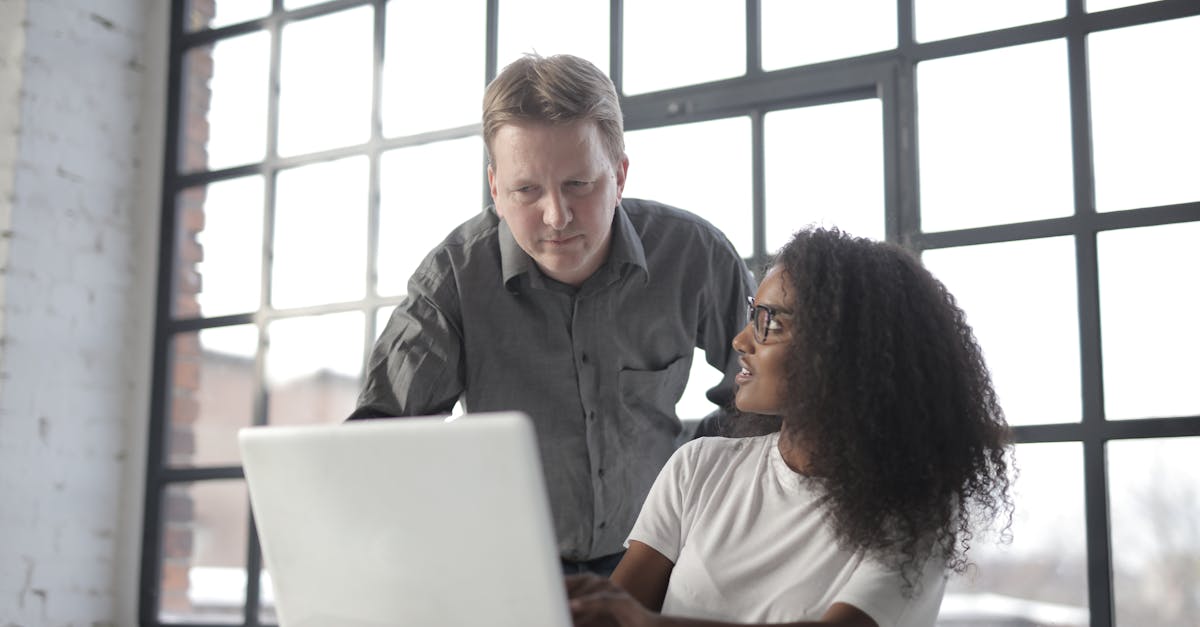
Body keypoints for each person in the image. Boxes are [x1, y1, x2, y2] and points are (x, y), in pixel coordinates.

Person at [349, 53, 756, 576]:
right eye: (527, 190)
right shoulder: (452, 278)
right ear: (496, 189)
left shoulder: (695, 254)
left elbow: (766, 393)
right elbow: (378, 444)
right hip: (509, 571)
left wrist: (694, 474)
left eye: (578, 185)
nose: (556, 216)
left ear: (620, 174)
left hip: (664, 560)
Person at [567, 227, 1015, 626]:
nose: (741, 341)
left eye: (770, 322)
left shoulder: (913, 514)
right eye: (752, 313)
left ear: (841, 351)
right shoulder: (698, 467)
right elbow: (615, 613)